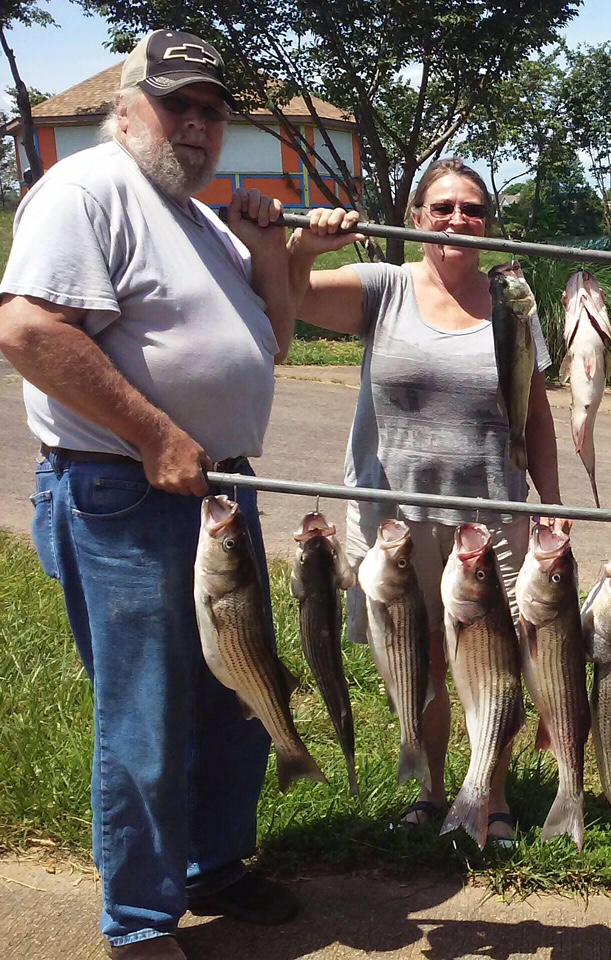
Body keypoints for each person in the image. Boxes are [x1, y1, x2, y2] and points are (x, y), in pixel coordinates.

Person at [0, 31, 297, 960]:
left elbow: (275, 342)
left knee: (236, 697)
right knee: (148, 710)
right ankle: (138, 923)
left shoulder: (201, 218)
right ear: (124, 108)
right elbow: (26, 329)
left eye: (212, 110)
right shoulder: (85, 190)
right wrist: (156, 435)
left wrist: (267, 246)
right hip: (128, 493)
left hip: (214, 494)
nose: (200, 125)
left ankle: (214, 866)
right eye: (179, 105)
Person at [286, 158, 568, 845]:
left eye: (472, 209)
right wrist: (302, 246)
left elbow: (535, 414)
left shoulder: (512, 305)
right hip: (397, 524)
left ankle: (492, 796)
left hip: (492, 515)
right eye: (441, 207)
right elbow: (291, 297)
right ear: (415, 217)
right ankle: (432, 789)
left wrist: (553, 505)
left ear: (489, 225)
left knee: (493, 665)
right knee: (421, 665)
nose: (457, 220)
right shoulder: (382, 288)